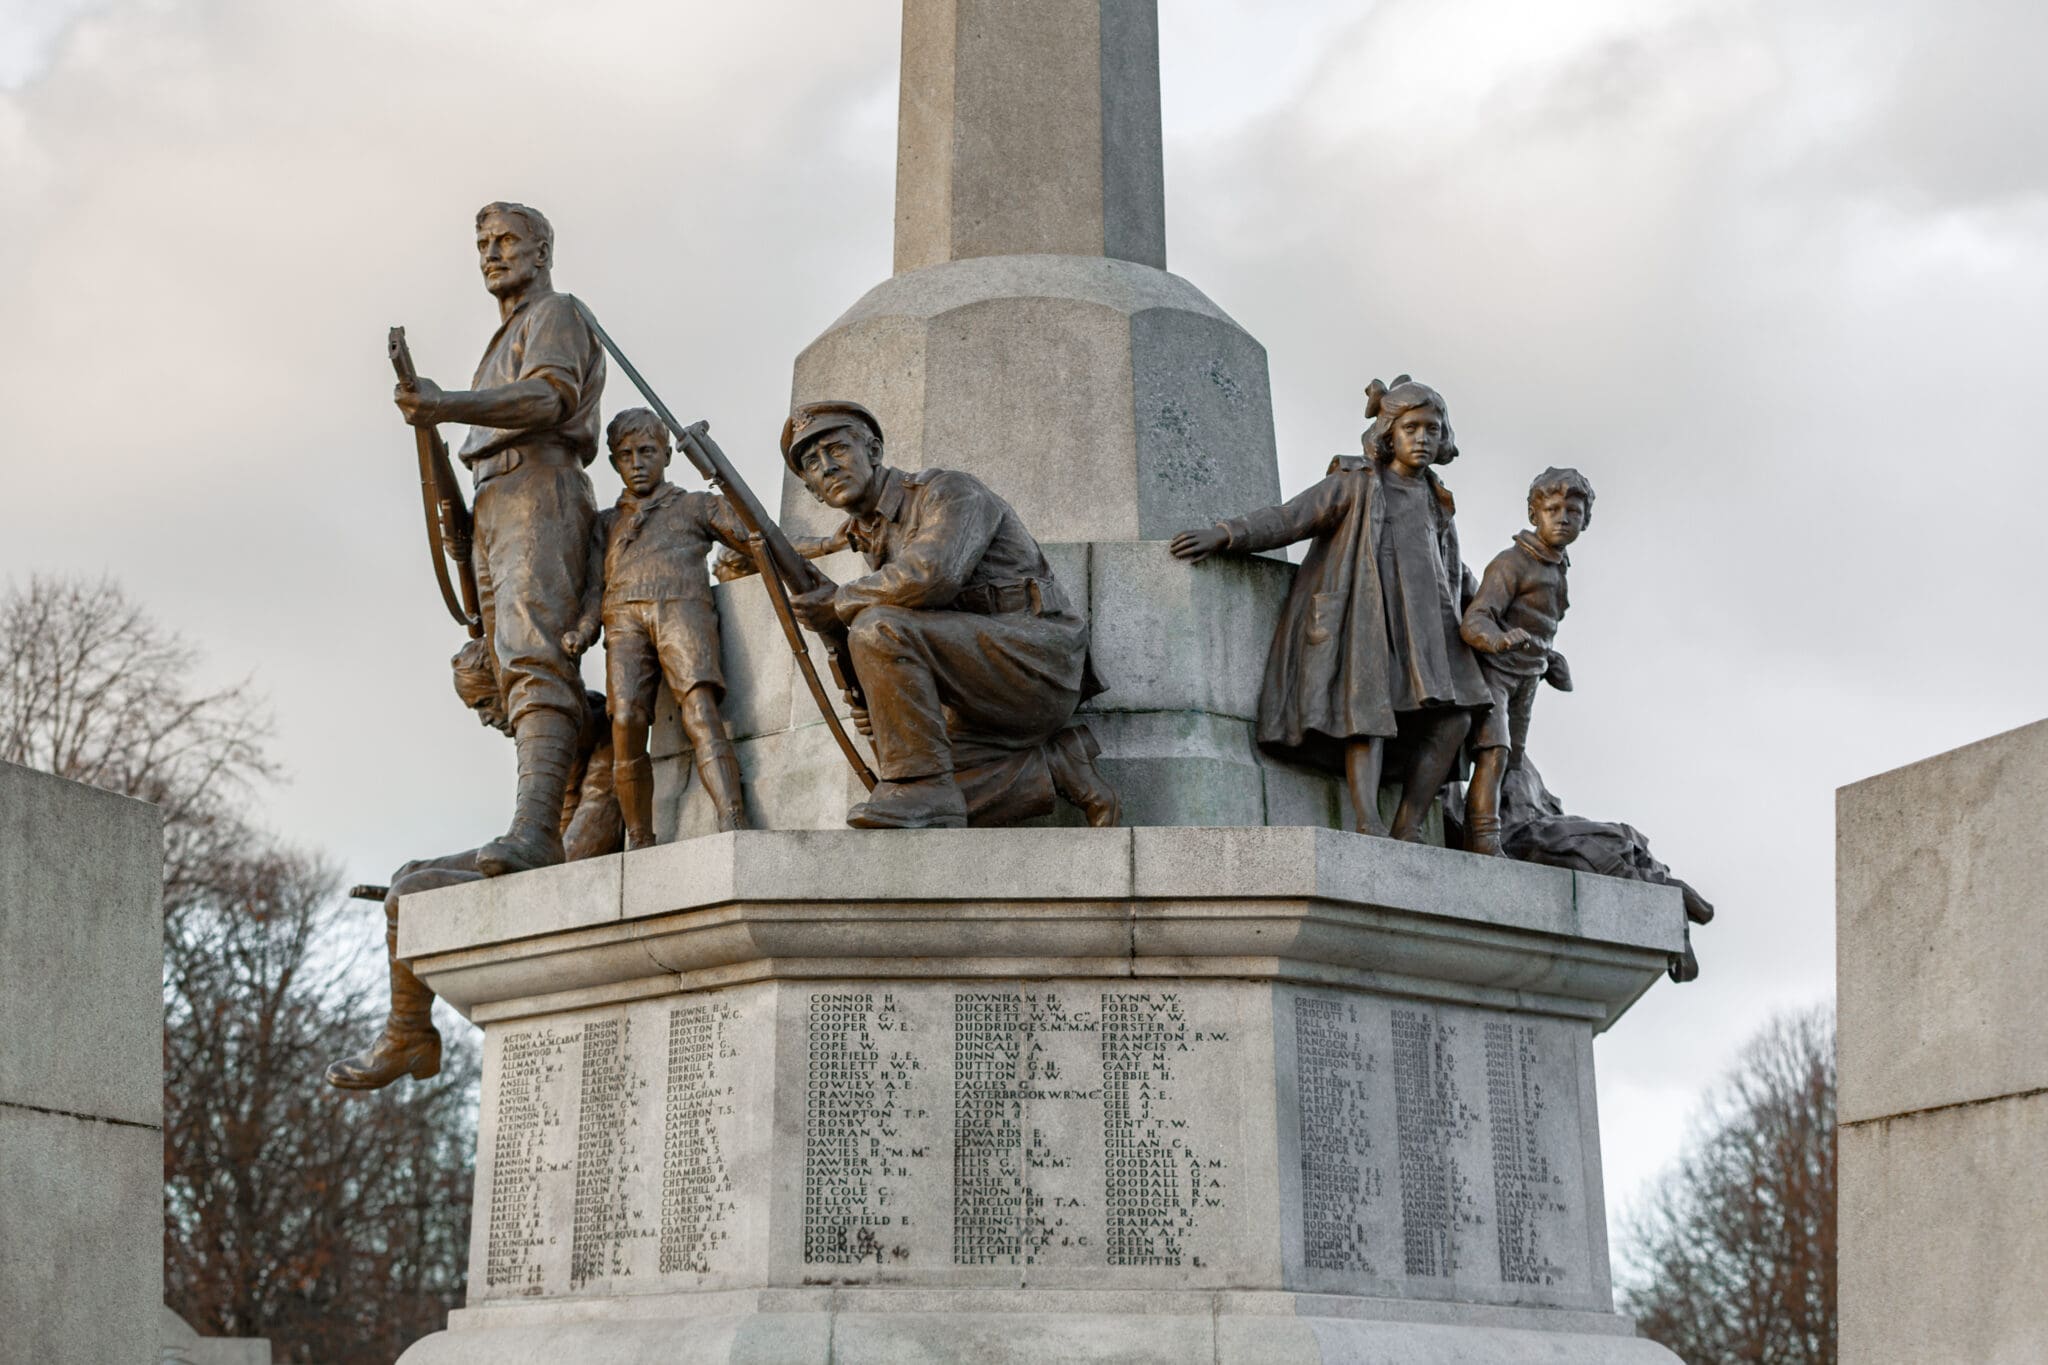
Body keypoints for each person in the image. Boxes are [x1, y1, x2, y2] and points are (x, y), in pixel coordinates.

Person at [1169, 376, 1491, 842]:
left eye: (1433, 429)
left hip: (1429, 632)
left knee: (1457, 719)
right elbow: (1290, 518)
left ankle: (1410, 823)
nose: (1422, 438)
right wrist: (1226, 535)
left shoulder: (1436, 499)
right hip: (1368, 620)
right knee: (1368, 710)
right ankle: (1367, 820)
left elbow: (1455, 572)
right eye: (1412, 428)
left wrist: (1493, 615)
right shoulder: (1356, 483)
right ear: (1389, 433)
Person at [780, 400, 1120, 830]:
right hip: (975, 687)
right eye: (812, 463)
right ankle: (1054, 767)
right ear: (811, 490)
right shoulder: (868, 531)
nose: (827, 467)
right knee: (903, 789)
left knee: (876, 628)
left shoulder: (949, 491)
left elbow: (930, 577)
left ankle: (926, 790)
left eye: (837, 449)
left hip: (1035, 661)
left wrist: (839, 602)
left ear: (874, 451)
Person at [394, 201, 604, 876]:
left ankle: (538, 830)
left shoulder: (556, 313)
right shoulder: (505, 335)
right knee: (509, 659)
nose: (492, 252)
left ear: (541, 251)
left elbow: (548, 399)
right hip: (496, 497)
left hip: (537, 484)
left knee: (534, 655)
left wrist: (446, 404)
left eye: (507, 240)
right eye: (482, 242)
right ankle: (541, 814)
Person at [325, 641, 621, 1091]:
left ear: (515, 688)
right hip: (560, 880)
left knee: (409, 896)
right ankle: (407, 1032)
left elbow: (579, 852)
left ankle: (408, 1033)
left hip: (585, 891)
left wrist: (429, 880)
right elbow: (528, 846)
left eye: (485, 703)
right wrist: (423, 867)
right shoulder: (559, 744)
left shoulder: (605, 735)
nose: (485, 718)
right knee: (410, 877)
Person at [567, 408, 753, 845]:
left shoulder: (694, 505)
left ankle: (732, 820)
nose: (637, 462)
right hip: (622, 621)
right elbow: (595, 587)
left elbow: (754, 534)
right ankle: (640, 838)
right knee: (627, 720)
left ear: (667, 454)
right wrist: (583, 628)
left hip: (681, 609)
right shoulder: (606, 524)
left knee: (701, 711)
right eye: (626, 454)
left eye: (648, 451)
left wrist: (728, 485)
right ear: (614, 462)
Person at [1458, 466, 1594, 855]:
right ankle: (1482, 841)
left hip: (1528, 679)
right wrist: (1499, 640)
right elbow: (1475, 620)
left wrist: (1549, 658)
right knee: (1494, 751)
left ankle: (1498, 830)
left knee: (1512, 763)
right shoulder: (1512, 562)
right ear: (1535, 515)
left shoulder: (1557, 565)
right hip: (1494, 676)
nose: (1563, 518)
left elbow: (1536, 624)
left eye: (1573, 511)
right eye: (1552, 509)